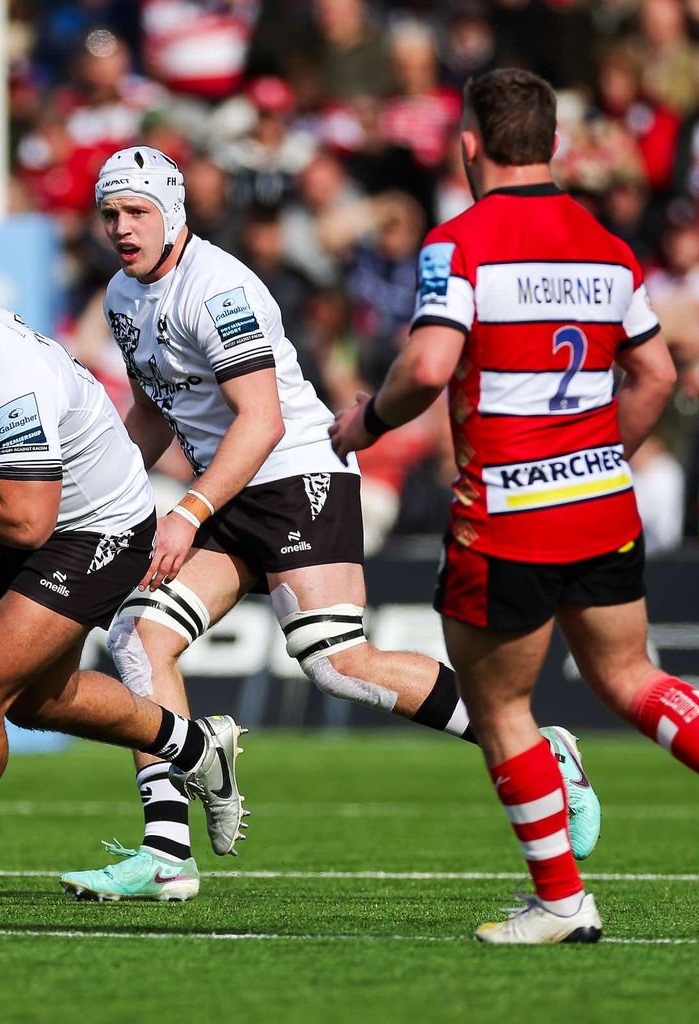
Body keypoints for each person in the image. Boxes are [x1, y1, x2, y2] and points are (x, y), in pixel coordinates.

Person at [330, 68, 699, 944]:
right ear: (555, 144)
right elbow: (659, 376)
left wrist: (363, 424)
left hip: (507, 513)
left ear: (471, 145)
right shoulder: (606, 246)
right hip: (602, 499)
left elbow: (428, 367)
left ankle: (563, 900)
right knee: (633, 675)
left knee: (502, 708)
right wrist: (599, 454)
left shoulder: (460, 242)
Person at [68, 145, 600, 901]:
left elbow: (262, 422)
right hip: (227, 490)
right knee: (136, 635)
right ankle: (165, 854)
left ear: (174, 212)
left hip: (293, 479)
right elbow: (157, 408)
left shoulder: (218, 287)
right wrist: (106, 492)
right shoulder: (124, 295)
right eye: (110, 213)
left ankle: (543, 756)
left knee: (334, 659)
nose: (121, 227)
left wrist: (185, 512)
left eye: (136, 212)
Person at [0, 254, 246, 908]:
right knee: (30, 701)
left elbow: (27, 522)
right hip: (45, 521)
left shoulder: (6, 380)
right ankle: (198, 744)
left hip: (96, 532)